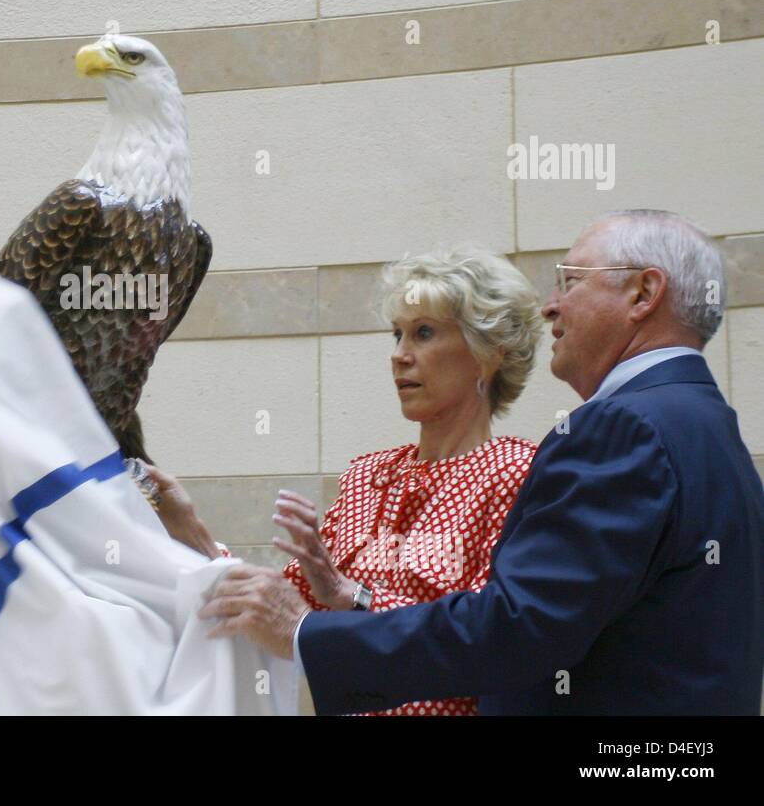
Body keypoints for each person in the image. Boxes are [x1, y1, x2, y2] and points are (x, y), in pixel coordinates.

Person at [201, 209, 764, 715]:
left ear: (644, 294)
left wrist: (306, 633)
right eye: (397, 334)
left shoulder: (618, 429)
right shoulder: (707, 425)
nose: (551, 305)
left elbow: (514, 628)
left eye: (570, 281)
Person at [148, 247, 542, 714]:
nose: (399, 356)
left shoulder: (517, 473)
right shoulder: (366, 475)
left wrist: (353, 597)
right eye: (396, 335)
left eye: (423, 333)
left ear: (488, 354)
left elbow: (490, 639)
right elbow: (282, 614)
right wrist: (191, 533)